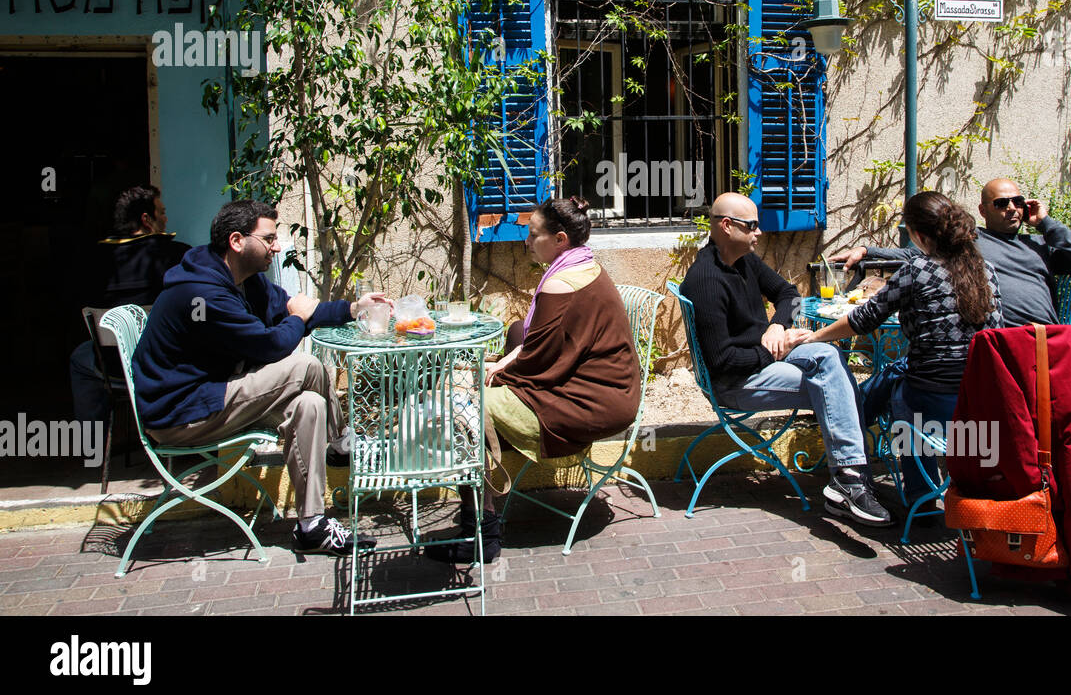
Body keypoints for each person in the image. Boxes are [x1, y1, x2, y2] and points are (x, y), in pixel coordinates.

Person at [131, 199, 389, 556]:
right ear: (237, 241)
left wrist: (352, 308)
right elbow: (272, 346)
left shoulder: (244, 279)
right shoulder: (202, 295)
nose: (277, 246)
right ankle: (342, 445)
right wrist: (297, 319)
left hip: (215, 395)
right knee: (305, 366)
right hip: (180, 412)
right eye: (269, 238)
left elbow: (296, 309)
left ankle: (311, 526)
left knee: (310, 404)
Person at [426, 196, 641, 565]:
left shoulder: (562, 283)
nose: (526, 241)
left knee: (462, 408)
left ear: (560, 240)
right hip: (608, 393)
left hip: (591, 403)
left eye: (533, 234)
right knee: (502, 346)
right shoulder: (582, 265)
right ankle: (483, 499)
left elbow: (537, 359)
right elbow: (535, 342)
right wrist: (502, 365)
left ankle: (481, 531)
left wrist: (492, 374)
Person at [832, 177, 1071, 420]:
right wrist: (868, 252)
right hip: (1005, 346)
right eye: (1001, 202)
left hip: (1054, 343)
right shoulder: (970, 243)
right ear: (983, 211)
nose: (1012, 208)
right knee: (908, 372)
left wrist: (1046, 223)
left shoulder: (1039, 245)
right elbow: (916, 254)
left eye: (1018, 201)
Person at [679, 192, 892, 527]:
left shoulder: (744, 260)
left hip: (764, 362)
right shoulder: (706, 280)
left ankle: (849, 474)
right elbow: (722, 361)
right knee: (834, 378)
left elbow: (789, 294)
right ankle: (852, 477)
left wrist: (777, 326)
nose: (759, 233)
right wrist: (772, 350)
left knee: (828, 354)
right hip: (736, 383)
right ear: (726, 226)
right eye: (751, 226)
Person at [794, 191, 1002, 503]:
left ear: (917, 235)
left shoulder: (917, 272)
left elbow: (863, 319)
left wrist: (815, 337)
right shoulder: (985, 271)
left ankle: (910, 493)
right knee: (895, 377)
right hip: (983, 394)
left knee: (898, 392)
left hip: (934, 394)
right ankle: (859, 460)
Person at [69, 185, 190, 426]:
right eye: (162, 212)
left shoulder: (90, 260)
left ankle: (91, 444)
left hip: (113, 366)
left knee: (80, 357)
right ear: (147, 219)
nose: (166, 219)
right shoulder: (177, 255)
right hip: (166, 362)